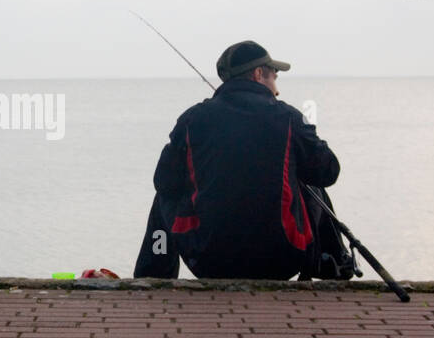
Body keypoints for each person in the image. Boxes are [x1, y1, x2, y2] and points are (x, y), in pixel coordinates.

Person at [133, 40, 353, 280]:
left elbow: (164, 181)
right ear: (259, 74)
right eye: (275, 78)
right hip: (283, 258)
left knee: (164, 196)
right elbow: (328, 172)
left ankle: (153, 277)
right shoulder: (289, 117)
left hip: (209, 260)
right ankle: (332, 263)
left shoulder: (192, 119)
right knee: (311, 182)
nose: (277, 89)